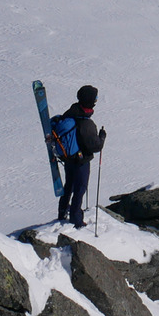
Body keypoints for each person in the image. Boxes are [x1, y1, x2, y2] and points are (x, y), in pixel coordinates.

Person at [57, 84, 106, 228]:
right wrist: (102, 137)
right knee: (80, 188)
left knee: (69, 185)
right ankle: (76, 219)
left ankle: (62, 211)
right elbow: (95, 146)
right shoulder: (86, 123)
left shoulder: (70, 113)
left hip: (68, 158)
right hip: (81, 161)